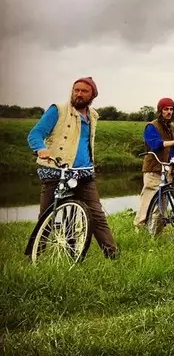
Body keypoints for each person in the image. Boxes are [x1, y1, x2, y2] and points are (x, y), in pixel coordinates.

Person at [26, 77, 118, 259]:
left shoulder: (93, 115)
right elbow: (35, 134)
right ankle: (34, 256)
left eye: (84, 91)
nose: (79, 94)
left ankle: (112, 256)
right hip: (56, 171)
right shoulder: (58, 110)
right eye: (76, 90)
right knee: (47, 216)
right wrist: (41, 148)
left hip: (84, 173)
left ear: (92, 95)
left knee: (97, 215)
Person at [135, 97, 174, 228]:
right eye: (166, 109)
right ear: (160, 111)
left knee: (162, 205)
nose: (169, 112)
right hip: (154, 169)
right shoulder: (151, 126)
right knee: (148, 202)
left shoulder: (172, 128)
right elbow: (155, 144)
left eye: (171, 109)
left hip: (167, 169)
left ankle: (156, 236)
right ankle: (140, 230)